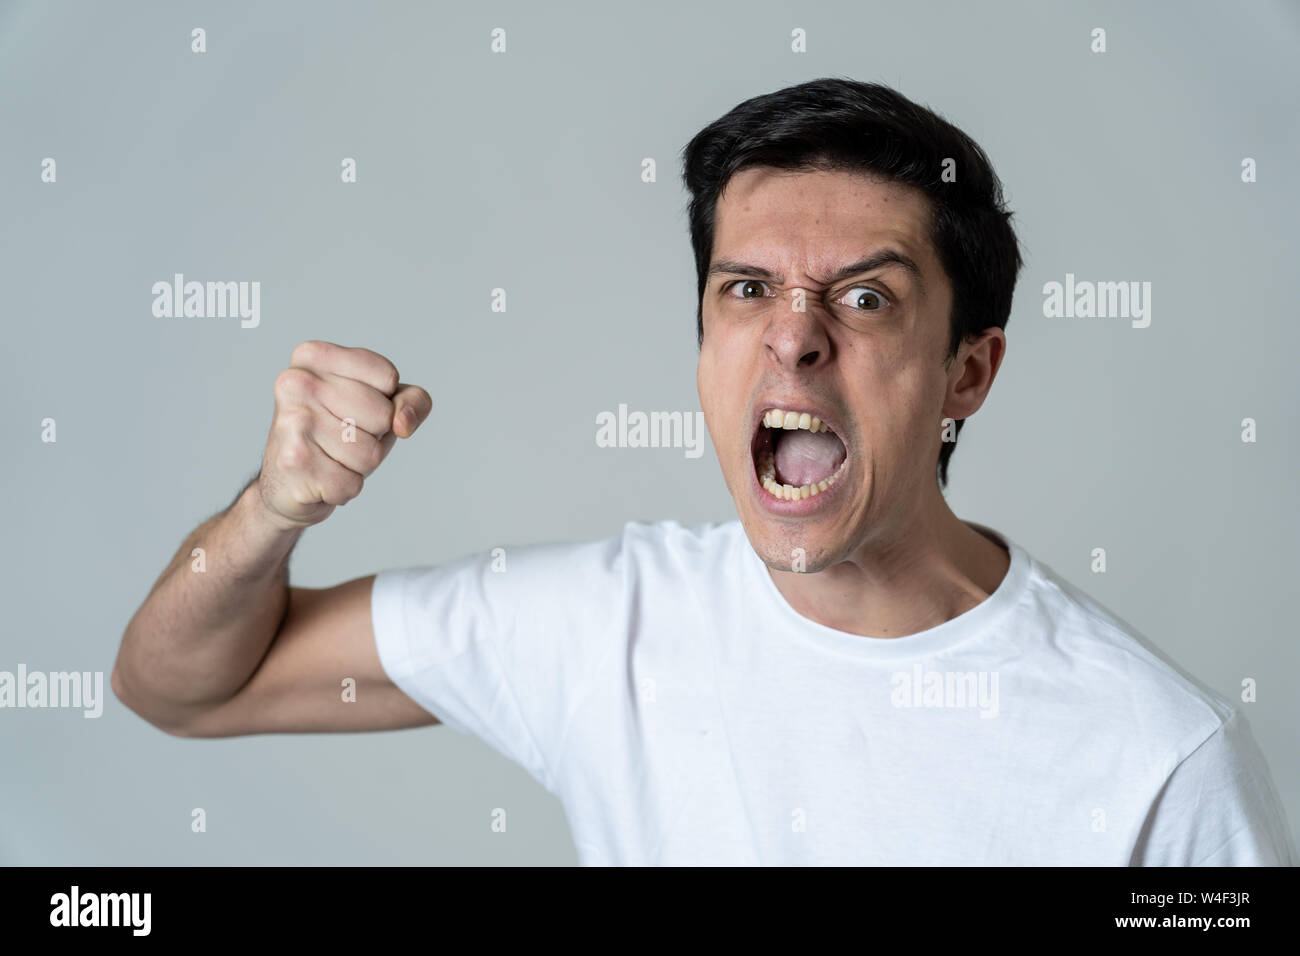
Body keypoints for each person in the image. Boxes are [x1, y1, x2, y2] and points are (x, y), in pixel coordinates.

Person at [112, 77, 1296, 866]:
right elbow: (183, 686)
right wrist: (269, 513)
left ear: (966, 374)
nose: (793, 334)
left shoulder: (1159, 758)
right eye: (746, 289)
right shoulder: (601, 627)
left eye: (865, 297)